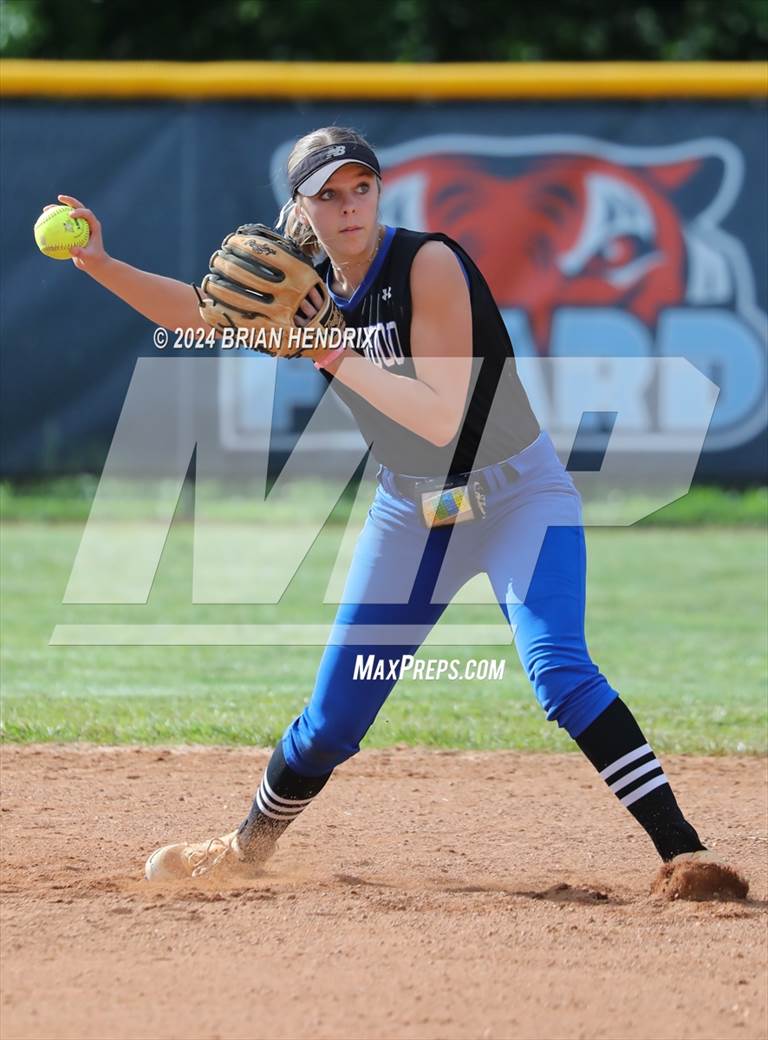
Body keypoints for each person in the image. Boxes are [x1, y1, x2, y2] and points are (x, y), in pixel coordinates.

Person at [57, 126, 745, 896]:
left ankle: (687, 856)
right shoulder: (304, 284)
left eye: (361, 187)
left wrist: (326, 348)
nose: (348, 207)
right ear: (301, 207)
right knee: (333, 720)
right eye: (328, 194)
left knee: (559, 671)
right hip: (412, 512)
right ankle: (244, 851)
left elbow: (442, 417)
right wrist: (100, 263)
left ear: (379, 191)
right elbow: (200, 312)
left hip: (521, 494)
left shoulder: (429, 264)